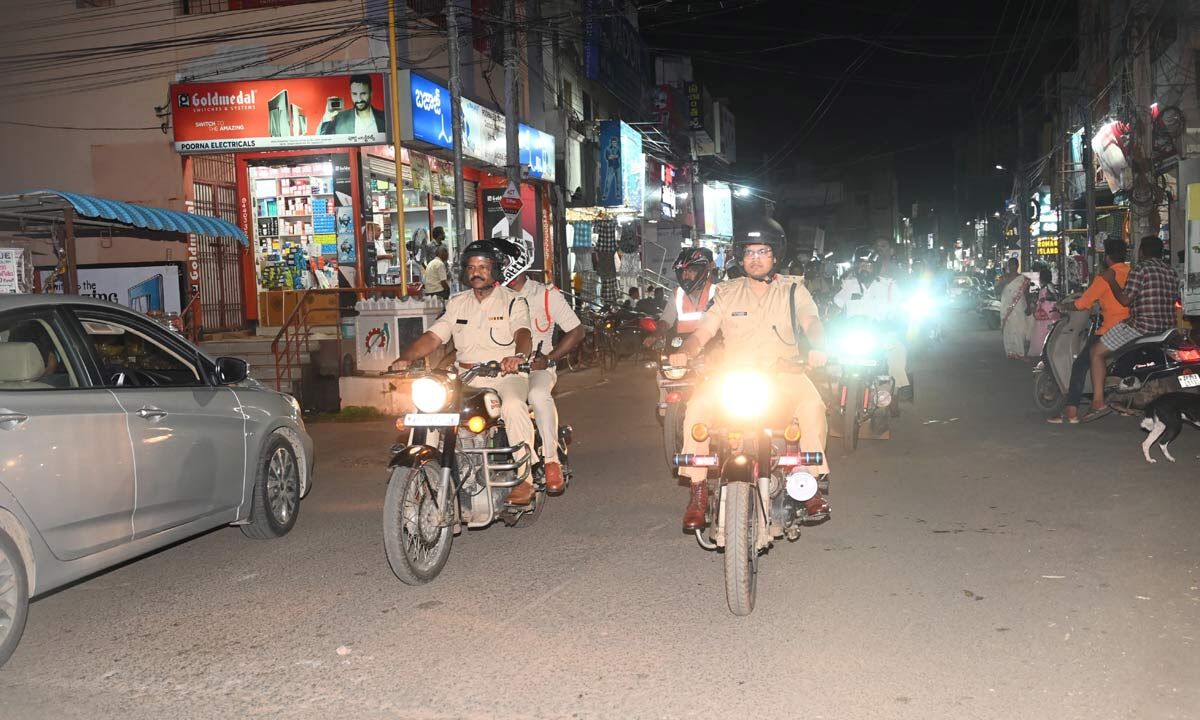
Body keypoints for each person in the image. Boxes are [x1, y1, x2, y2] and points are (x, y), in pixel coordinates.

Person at [668, 217, 831, 530]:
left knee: (812, 407)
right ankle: (699, 491)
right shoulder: (727, 293)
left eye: (763, 252)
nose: (755, 259)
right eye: (749, 253)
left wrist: (819, 346)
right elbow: (702, 333)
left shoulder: (794, 290)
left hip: (786, 373)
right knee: (697, 408)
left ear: (775, 255)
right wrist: (685, 352)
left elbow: (813, 323)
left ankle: (811, 485)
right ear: (740, 258)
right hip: (734, 376)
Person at [387, 239, 539, 505]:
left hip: (505, 376)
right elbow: (434, 337)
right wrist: (404, 358)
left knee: (514, 406)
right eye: (470, 267)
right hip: (465, 376)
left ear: (496, 270)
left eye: (482, 266)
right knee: (428, 412)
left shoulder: (514, 302)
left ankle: (524, 479)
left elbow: (523, 333)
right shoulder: (457, 303)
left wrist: (518, 357)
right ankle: (421, 475)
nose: (476, 272)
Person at [507, 269, 585, 494]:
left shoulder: (546, 294)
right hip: (503, 370)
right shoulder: (495, 296)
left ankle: (551, 460)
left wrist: (550, 359)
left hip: (536, 368)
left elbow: (577, 331)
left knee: (538, 395)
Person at [1089, 236, 1180, 420]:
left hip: (1142, 327)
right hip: (1167, 329)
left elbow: (1125, 300)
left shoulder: (1141, 269)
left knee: (1096, 353)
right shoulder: (1171, 272)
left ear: (1142, 252)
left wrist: (1111, 280)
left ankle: (1098, 402)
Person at [1047, 238, 1129, 424]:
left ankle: (1071, 410)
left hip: (1111, 328)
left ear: (1106, 256)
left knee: (1080, 363)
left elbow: (1083, 303)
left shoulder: (1105, 277)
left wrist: (1064, 305)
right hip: (1132, 327)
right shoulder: (1132, 272)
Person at [831, 246, 910, 403]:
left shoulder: (889, 286)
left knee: (897, 351)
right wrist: (828, 315)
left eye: (868, 265)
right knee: (830, 356)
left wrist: (896, 322)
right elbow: (836, 305)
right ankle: (833, 393)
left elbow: (899, 310)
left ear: (876, 267)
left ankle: (898, 390)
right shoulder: (848, 285)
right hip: (851, 336)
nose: (864, 269)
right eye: (860, 265)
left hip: (880, 335)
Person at [319, 75, 386, 135]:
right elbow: (321, 141)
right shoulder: (340, 119)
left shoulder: (385, 118)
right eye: (354, 94)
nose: (359, 99)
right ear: (351, 94)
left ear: (371, 93)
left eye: (363, 93)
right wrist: (327, 117)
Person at [996, 258, 1031, 360]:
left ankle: (1020, 352)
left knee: (1020, 328)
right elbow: (997, 291)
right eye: (1010, 265)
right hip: (1006, 306)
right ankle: (1010, 352)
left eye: (1014, 265)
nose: (1012, 267)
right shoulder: (1003, 278)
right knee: (1008, 328)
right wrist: (1002, 283)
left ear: (1017, 265)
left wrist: (1028, 306)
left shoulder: (1023, 279)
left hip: (1019, 306)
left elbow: (1026, 293)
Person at [1028, 268, 1060, 358]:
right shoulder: (1046, 286)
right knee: (1041, 330)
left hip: (1048, 310)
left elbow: (1055, 297)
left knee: (1044, 329)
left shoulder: (1049, 286)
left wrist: (1044, 299)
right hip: (1044, 310)